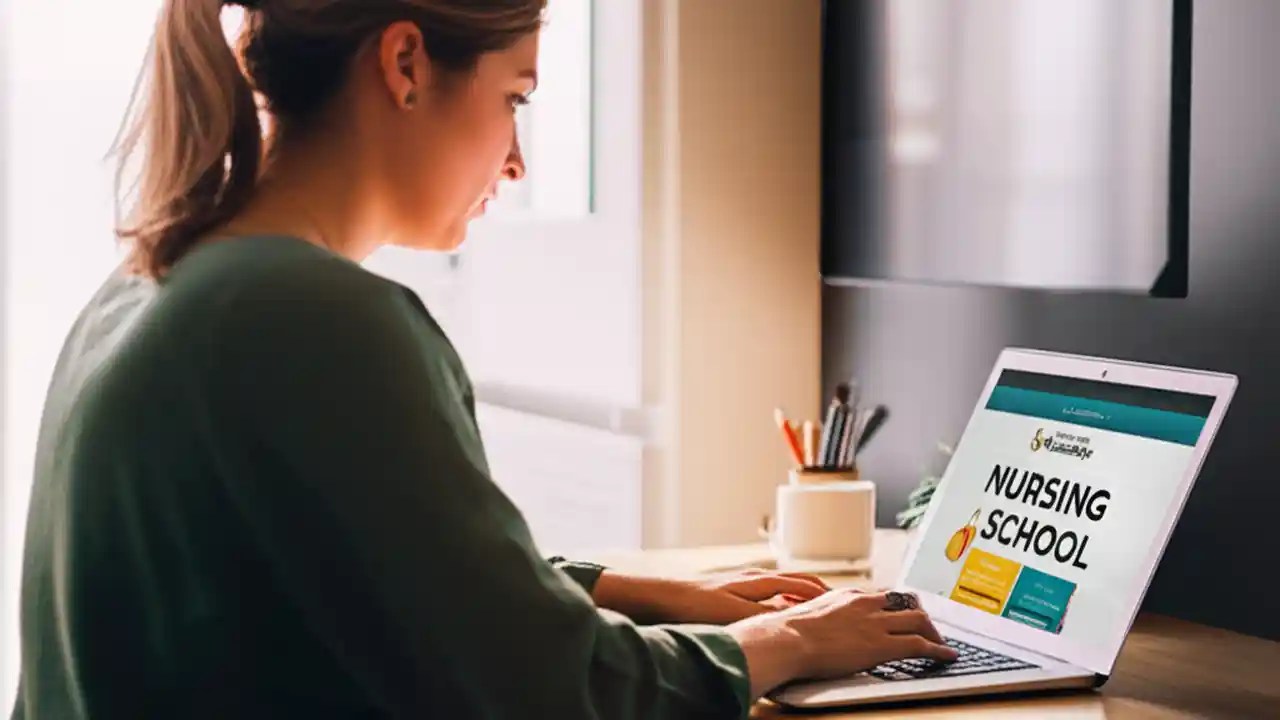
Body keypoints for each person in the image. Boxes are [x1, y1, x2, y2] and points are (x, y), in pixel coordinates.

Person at [10, 0, 957, 718]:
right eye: (516, 97)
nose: (518, 162)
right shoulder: (312, 317)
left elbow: (368, 573)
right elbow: (544, 694)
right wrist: (782, 642)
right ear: (407, 62)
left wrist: (622, 590)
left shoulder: (152, 287)